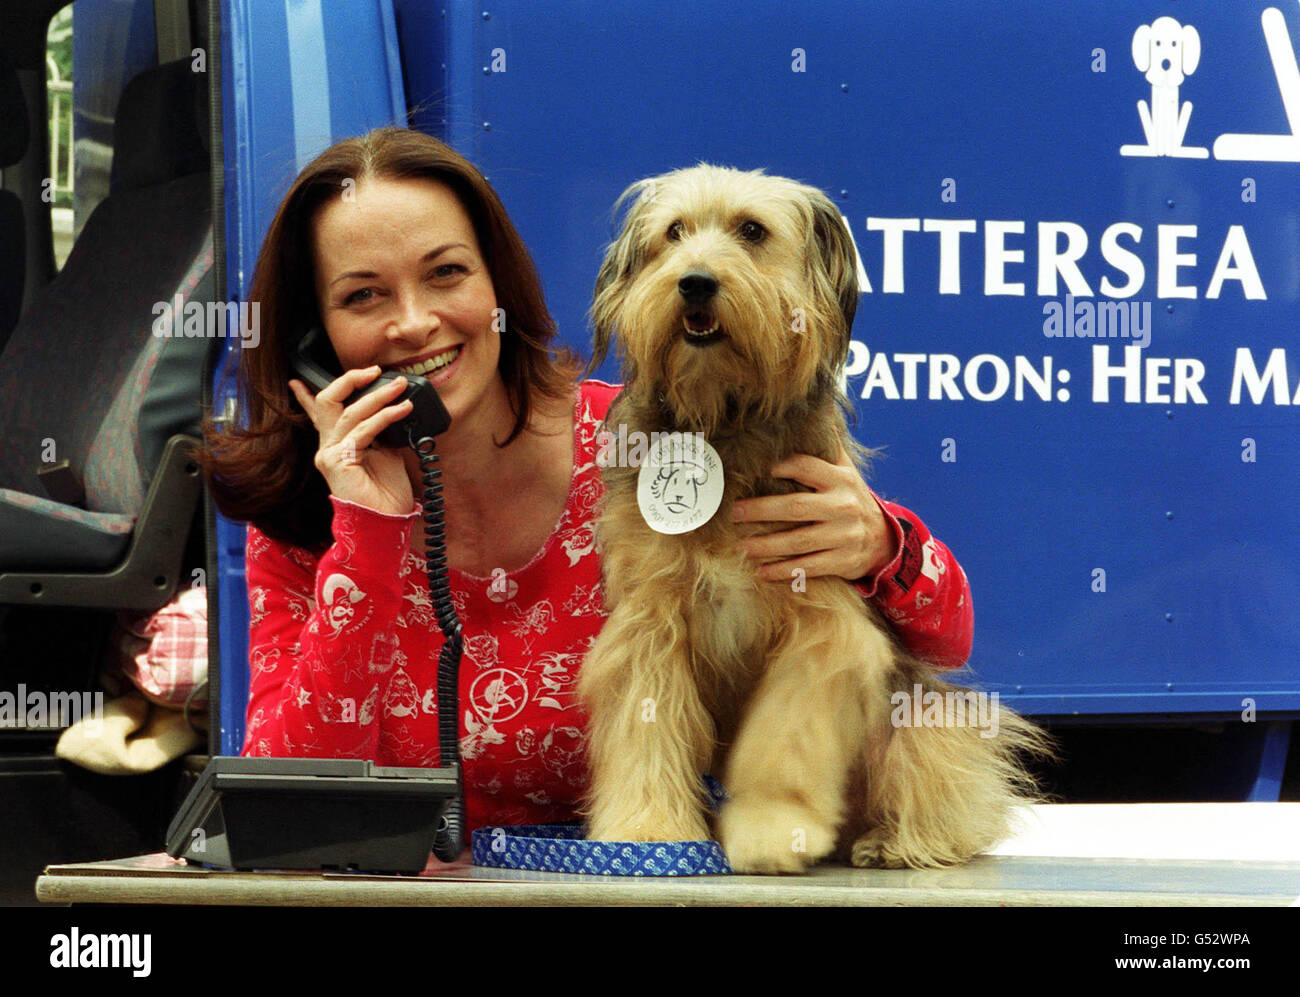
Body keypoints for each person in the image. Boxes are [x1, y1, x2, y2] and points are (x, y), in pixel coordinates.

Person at [200, 127, 974, 834]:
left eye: (446, 274)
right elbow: (287, 803)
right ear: (316, 331)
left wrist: (886, 546)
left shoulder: (651, 442)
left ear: (497, 284)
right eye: (362, 294)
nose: (413, 322)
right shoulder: (308, 514)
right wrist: (368, 535)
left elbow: (947, 633)